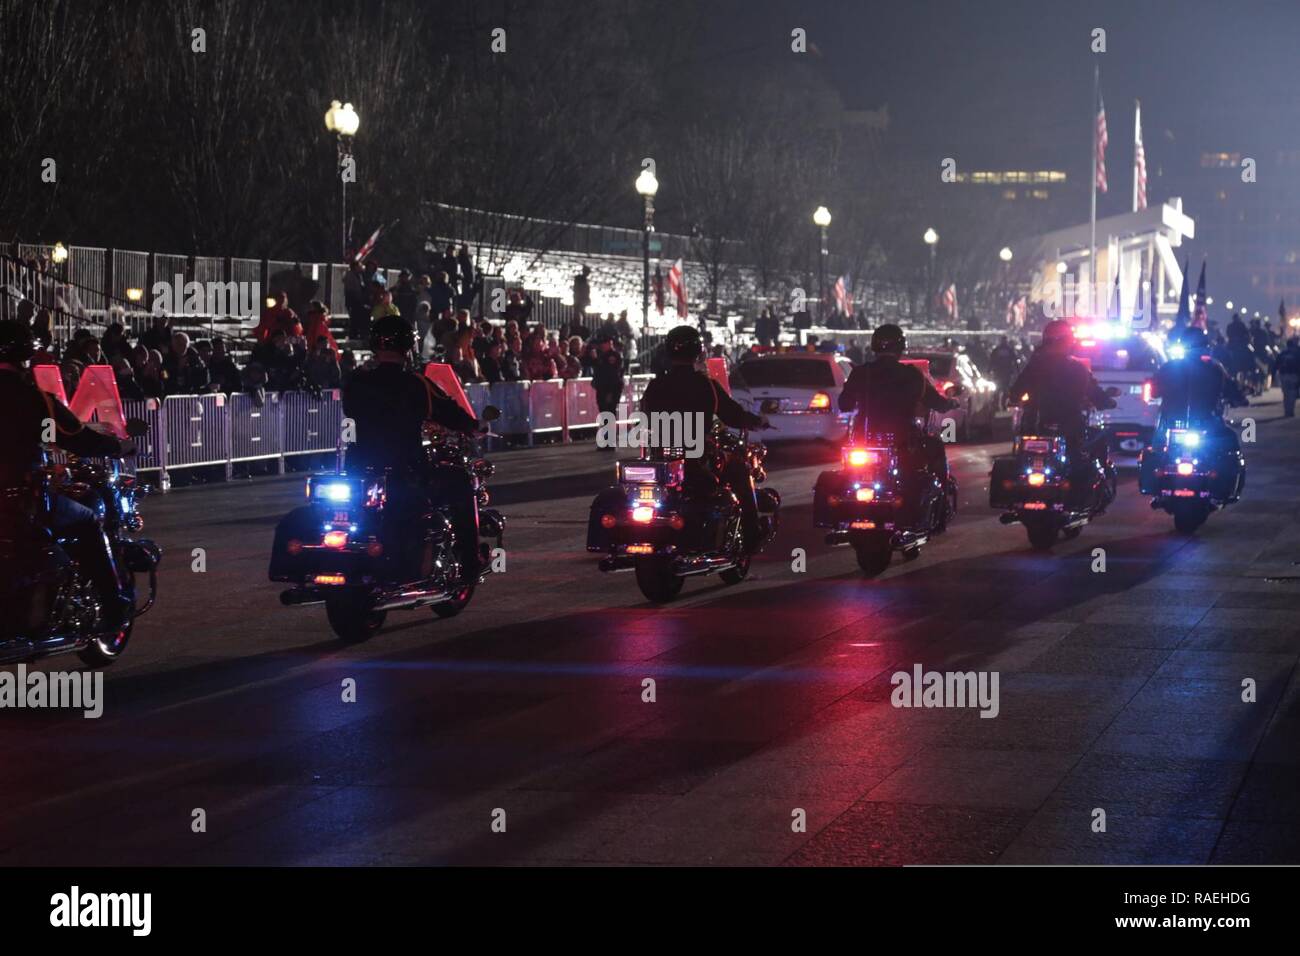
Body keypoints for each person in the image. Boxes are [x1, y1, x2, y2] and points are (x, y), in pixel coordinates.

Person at [0, 318, 137, 627]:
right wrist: (119, 447)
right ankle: (114, 608)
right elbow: (77, 437)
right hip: (23, 502)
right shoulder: (33, 397)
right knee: (90, 520)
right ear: (26, 355)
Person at [342, 316, 488, 582]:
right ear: (408, 346)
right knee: (459, 482)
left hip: (359, 469)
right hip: (405, 469)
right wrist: (475, 425)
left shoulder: (356, 383)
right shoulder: (415, 383)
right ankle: (469, 561)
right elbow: (450, 412)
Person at [641, 325, 767, 551]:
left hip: (662, 458)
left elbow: (645, 417)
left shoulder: (655, 386)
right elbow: (733, 415)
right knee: (739, 469)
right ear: (698, 352)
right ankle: (751, 534)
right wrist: (757, 421)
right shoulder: (705, 384)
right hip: (697, 458)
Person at [838, 323, 960, 503]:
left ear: (874, 346)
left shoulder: (860, 373)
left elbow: (844, 404)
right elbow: (937, 403)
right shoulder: (912, 375)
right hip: (903, 439)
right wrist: (951, 402)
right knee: (934, 447)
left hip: (864, 438)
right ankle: (941, 500)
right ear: (901, 347)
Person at [1008, 319, 1117, 501]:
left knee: (1021, 455)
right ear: (1068, 341)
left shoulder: (1034, 367)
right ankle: (1085, 496)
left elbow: (1015, 392)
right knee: (1089, 449)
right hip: (1069, 426)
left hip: (1036, 426)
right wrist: (1107, 402)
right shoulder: (1077, 368)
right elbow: (1096, 394)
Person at [1272, 338, 1300, 417]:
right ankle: (1290, 411)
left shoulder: (1282, 353)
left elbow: (1275, 365)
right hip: (1294, 375)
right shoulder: (1297, 353)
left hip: (1283, 375)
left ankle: (1287, 411)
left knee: (1286, 394)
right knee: (1292, 394)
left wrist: (1273, 376)